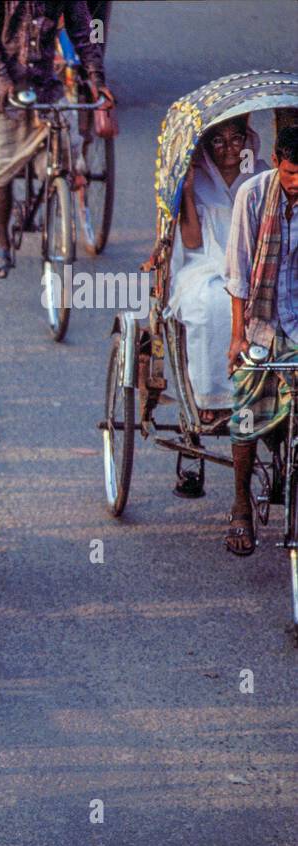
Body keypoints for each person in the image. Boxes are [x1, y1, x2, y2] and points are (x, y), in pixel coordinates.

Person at [0, 1, 111, 277]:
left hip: (45, 88)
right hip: (4, 94)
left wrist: (96, 79)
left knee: (68, 149)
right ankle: (2, 244)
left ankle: (56, 189)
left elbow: (85, 34)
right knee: (4, 167)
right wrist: (3, 80)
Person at [223, 126, 298, 557]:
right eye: (289, 173)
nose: (295, 183)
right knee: (246, 409)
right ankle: (239, 506)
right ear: (275, 159)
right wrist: (238, 338)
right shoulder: (252, 196)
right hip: (263, 323)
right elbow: (237, 275)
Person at [170, 117, 267, 444]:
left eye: (236, 139)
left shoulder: (261, 173)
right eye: (219, 141)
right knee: (211, 304)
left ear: (246, 139)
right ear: (206, 146)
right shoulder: (196, 180)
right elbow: (193, 242)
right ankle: (213, 397)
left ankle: (268, 393)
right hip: (206, 265)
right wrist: (185, 193)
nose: (229, 149)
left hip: (253, 264)